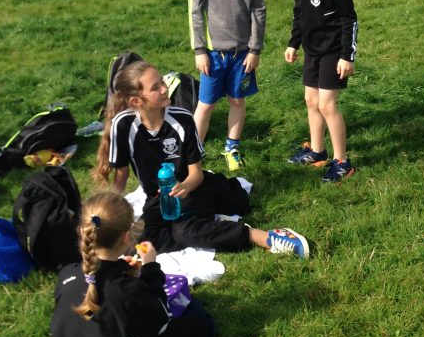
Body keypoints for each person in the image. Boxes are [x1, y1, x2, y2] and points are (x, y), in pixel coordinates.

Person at [93, 61, 309, 258]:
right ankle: (202, 229)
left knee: (185, 231)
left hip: (193, 189)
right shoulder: (123, 125)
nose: (164, 88)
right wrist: (111, 213)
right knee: (141, 242)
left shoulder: (182, 119)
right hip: (159, 200)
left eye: (162, 82)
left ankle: (265, 237)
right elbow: (121, 175)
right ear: (136, 101)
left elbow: (195, 174)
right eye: (155, 87)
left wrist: (183, 187)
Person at [48, 191, 215, 337]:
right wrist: (151, 268)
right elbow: (160, 322)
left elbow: (98, 287)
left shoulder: (67, 273)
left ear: (83, 232)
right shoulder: (128, 290)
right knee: (200, 323)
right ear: (127, 236)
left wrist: (120, 269)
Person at [188, 0, 265, 171]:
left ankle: (232, 146)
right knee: (206, 104)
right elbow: (194, 13)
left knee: (237, 101)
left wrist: (255, 49)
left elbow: (259, 12)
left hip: (242, 55)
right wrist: (199, 50)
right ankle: (194, 152)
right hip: (212, 55)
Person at [285, 0, 357, 184]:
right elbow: (299, 13)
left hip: (333, 52)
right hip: (311, 50)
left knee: (327, 105)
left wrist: (346, 56)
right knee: (311, 101)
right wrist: (294, 43)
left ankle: (342, 161)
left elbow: (349, 18)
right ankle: (317, 151)